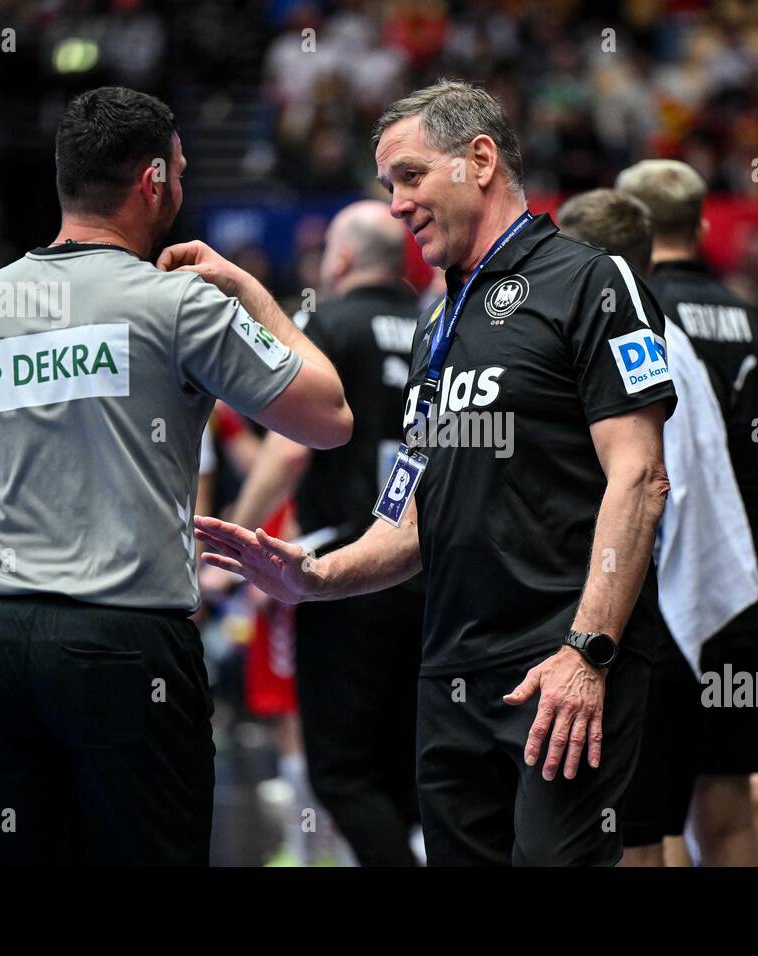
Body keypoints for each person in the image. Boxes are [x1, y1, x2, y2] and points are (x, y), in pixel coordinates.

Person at [196, 79, 676, 866]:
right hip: (451, 671)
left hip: (564, 662)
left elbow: (642, 480)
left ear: (480, 160)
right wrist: (313, 576)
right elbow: (408, 519)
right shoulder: (437, 324)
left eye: (411, 177)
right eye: (388, 187)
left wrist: (588, 652)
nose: (395, 205)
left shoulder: (590, 282)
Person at [0, 86, 351, 865]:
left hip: (1, 648)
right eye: (178, 170)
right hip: (129, 647)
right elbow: (329, 415)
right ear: (153, 183)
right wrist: (250, 292)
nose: (181, 185)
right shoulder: (179, 303)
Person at [555, 187, 758, 868]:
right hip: (700, 606)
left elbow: (652, 485)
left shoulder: (627, 344)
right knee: (678, 824)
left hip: (648, 615)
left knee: (636, 838)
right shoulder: (672, 343)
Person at [227, 199, 424, 867]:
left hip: (346, 573)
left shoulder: (324, 326)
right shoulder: (439, 326)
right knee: (400, 763)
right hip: (425, 570)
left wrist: (235, 535)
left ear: (339, 261)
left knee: (340, 771)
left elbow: (288, 450)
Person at [616, 158, 758, 866]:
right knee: (730, 811)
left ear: (631, 227)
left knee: (646, 823)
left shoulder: (627, 318)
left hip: (659, 598)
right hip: (745, 591)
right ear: (703, 223)